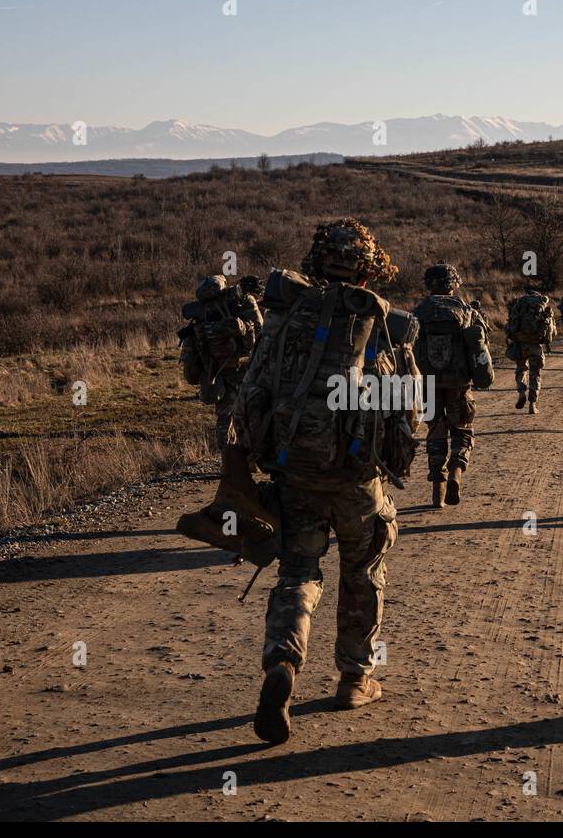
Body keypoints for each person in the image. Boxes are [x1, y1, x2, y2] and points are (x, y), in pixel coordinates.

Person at [233, 219, 418, 745]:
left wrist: (251, 461)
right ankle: (355, 679)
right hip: (357, 480)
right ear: (368, 271)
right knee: (363, 572)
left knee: (297, 572)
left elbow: (250, 396)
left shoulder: (285, 318)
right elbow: (407, 410)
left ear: (316, 263)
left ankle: (282, 661)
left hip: (295, 472)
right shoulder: (381, 322)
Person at [412, 264, 494, 508]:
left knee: (435, 430)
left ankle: (437, 486)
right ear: (454, 284)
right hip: (459, 383)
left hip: (428, 383)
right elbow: (482, 344)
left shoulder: (419, 311)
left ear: (429, 284)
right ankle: (456, 472)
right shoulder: (466, 310)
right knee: (462, 429)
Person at [178, 274, 263, 449]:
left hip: (218, 372)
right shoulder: (242, 302)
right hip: (246, 368)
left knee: (225, 418)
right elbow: (261, 331)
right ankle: (250, 456)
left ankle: (228, 458)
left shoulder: (202, 313)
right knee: (253, 414)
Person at [505, 284, 554, 415]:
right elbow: (550, 332)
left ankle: (521, 391)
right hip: (535, 345)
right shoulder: (542, 305)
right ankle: (532, 404)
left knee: (521, 370)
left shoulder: (519, 305)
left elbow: (510, 326)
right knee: (535, 374)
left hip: (520, 344)